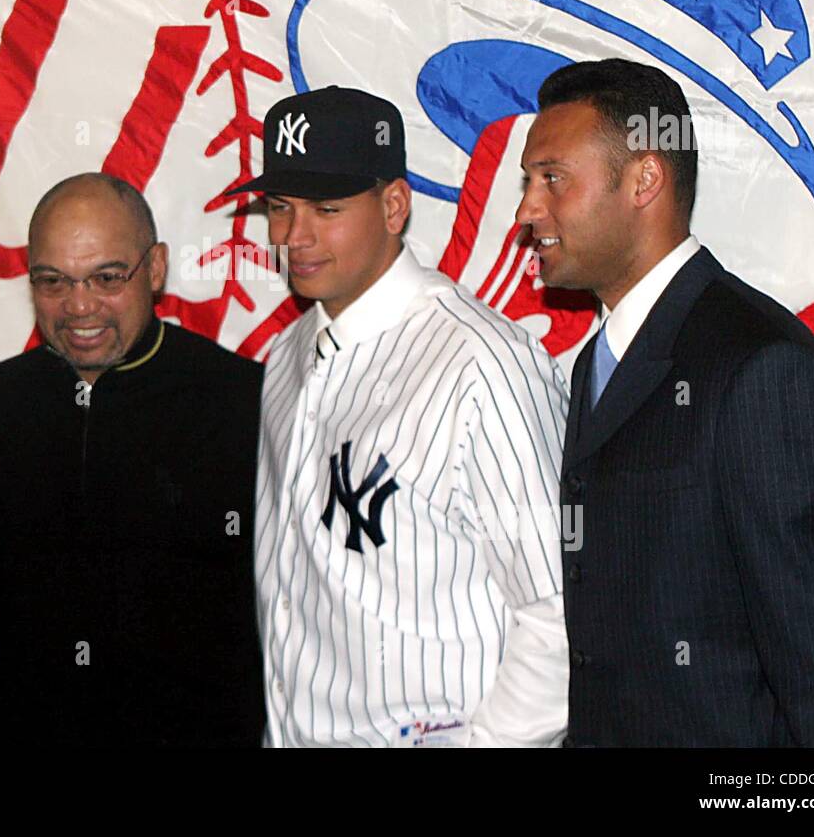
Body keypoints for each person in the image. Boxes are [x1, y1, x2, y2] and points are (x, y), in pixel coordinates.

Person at [515, 57, 814, 747]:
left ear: (644, 179)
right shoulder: (599, 361)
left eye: (552, 179)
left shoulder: (762, 368)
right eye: (529, 183)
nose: (529, 210)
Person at [231, 86, 570, 747]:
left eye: (326, 208)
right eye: (279, 207)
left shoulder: (481, 361)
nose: (294, 237)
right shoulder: (287, 355)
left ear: (394, 205)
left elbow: (558, 611)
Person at [0, 173, 265, 746]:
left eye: (106, 277)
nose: (79, 306)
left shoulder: (241, 401)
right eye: (53, 281)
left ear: (155, 268)